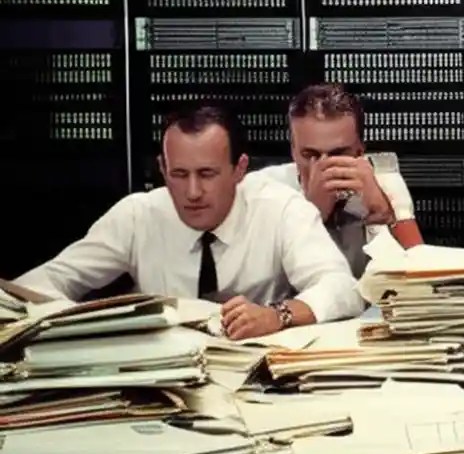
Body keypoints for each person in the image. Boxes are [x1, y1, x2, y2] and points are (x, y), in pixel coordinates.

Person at [16, 104, 364, 339]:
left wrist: (277, 316)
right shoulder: (139, 215)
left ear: (239, 169)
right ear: (163, 169)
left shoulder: (280, 208)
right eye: (179, 174)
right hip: (156, 379)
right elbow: (37, 287)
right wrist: (85, 327)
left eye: (208, 174)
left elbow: (341, 288)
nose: (193, 192)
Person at [247, 83, 424, 277]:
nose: (324, 168)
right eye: (310, 155)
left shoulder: (384, 183)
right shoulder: (263, 191)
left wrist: (385, 215)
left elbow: (425, 275)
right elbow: (258, 289)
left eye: (338, 154)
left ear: (360, 151)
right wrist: (311, 215)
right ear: (293, 150)